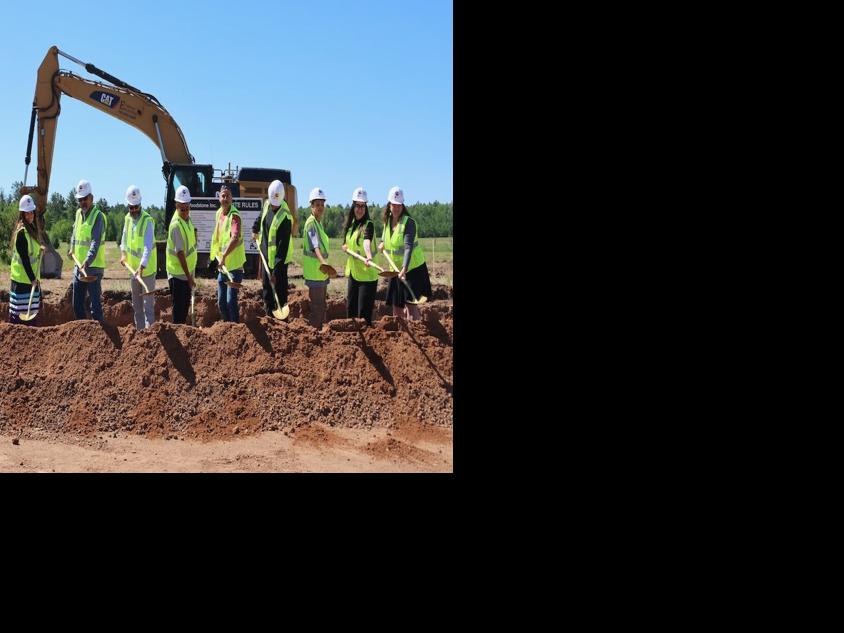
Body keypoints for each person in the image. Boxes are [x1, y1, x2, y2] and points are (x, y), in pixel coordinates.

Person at [378, 186, 432, 321]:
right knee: (396, 306)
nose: (396, 208)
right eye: (394, 205)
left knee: (411, 306)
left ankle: (417, 333)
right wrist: (382, 243)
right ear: (389, 205)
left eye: (399, 205)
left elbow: (408, 247)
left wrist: (404, 268)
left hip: (412, 269)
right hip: (395, 270)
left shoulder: (409, 223)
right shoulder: (387, 222)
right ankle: (401, 337)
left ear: (402, 206)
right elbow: (385, 238)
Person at [252, 179, 296, 317]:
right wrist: (255, 229)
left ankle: (282, 322)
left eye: (275, 205)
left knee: (279, 290)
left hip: (280, 262)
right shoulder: (266, 204)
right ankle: (269, 318)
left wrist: (275, 272)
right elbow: (261, 218)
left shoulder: (285, 217)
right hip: (266, 257)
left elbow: (282, 249)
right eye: (272, 203)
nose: (273, 206)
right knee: (266, 289)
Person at [119, 185, 156, 330]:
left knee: (148, 308)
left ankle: (150, 337)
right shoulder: (127, 219)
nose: (134, 210)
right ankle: (139, 336)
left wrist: (142, 267)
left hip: (146, 271)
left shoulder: (147, 221)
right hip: (133, 270)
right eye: (131, 207)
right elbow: (123, 239)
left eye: (136, 207)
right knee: (137, 307)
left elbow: (147, 247)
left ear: (140, 204)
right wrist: (123, 253)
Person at [68, 179, 105, 321]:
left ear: (91, 198)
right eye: (80, 199)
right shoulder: (78, 213)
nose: (83, 202)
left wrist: (88, 260)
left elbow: (95, 242)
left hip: (93, 268)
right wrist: (71, 248)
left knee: (95, 307)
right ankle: (83, 335)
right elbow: (74, 234)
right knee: (77, 304)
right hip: (78, 267)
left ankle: (100, 337)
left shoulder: (98, 216)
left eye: (85, 199)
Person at [341, 187, 378, 325]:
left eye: (363, 206)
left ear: (366, 207)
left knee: (363, 316)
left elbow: (366, 242)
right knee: (350, 310)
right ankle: (352, 342)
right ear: (353, 206)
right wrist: (345, 246)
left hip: (367, 276)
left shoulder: (369, 225)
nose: (360, 209)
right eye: (357, 205)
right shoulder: (351, 226)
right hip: (354, 274)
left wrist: (368, 256)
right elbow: (348, 244)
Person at [210, 185, 245, 322]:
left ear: (232, 198)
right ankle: (226, 328)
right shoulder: (219, 213)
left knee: (231, 301)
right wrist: (218, 256)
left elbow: (234, 238)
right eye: (223, 196)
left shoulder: (234, 216)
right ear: (219, 197)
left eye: (228, 196)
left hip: (234, 267)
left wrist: (223, 256)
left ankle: (235, 328)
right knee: (221, 303)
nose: (225, 198)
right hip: (223, 268)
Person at [8, 195, 44, 325]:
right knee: (19, 320)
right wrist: (32, 279)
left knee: (31, 317)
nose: (30, 215)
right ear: (22, 214)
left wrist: (40, 248)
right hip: (22, 281)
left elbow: (31, 251)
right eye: (26, 213)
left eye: (31, 212)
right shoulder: (22, 233)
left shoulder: (31, 229)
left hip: (30, 280)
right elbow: (24, 259)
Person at [166, 185, 197, 324]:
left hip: (186, 273)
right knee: (179, 312)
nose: (185, 211)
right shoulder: (176, 225)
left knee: (184, 309)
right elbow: (180, 254)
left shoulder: (188, 220)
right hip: (179, 275)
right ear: (176, 205)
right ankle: (178, 339)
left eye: (187, 208)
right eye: (181, 209)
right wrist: (189, 277)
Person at [302, 187, 331, 329]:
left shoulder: (318, 223)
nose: (320, 207)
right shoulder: (311, 223)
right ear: (311, 206)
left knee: (321, 306)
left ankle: (320, 333)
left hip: (320, 273)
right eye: (317, 204)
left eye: (322, 204)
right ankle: (315, 336)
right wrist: (323, 262)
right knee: (317, 307)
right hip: (315, 272)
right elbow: (315, 246)